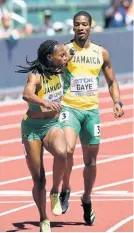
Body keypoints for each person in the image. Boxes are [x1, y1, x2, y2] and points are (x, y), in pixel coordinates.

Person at [59, 11, 124, 225]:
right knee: (67, 150)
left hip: (91, 113)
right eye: (77, 24)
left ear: (90, 26)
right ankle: (65, 188)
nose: (80, 28)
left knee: (91, 162)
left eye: (84, 24)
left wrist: (117, 102)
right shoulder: (65, 50)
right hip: (70, 108)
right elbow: (49, 71)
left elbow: (112, 81)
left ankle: (86, 199)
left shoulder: (101, 53)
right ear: (73, 27)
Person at [16, 40, 70, 232]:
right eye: (61, 56)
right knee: (39, 179)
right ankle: (43, 218)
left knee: (62, 153)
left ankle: (55, 191)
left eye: (65, 55)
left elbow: (72, 52)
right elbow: (26, 94)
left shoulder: (61, 67)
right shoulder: (36, 75)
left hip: (51, 125)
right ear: (49, 57)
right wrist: (45, 103)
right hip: (31, 128)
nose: (65, 58)